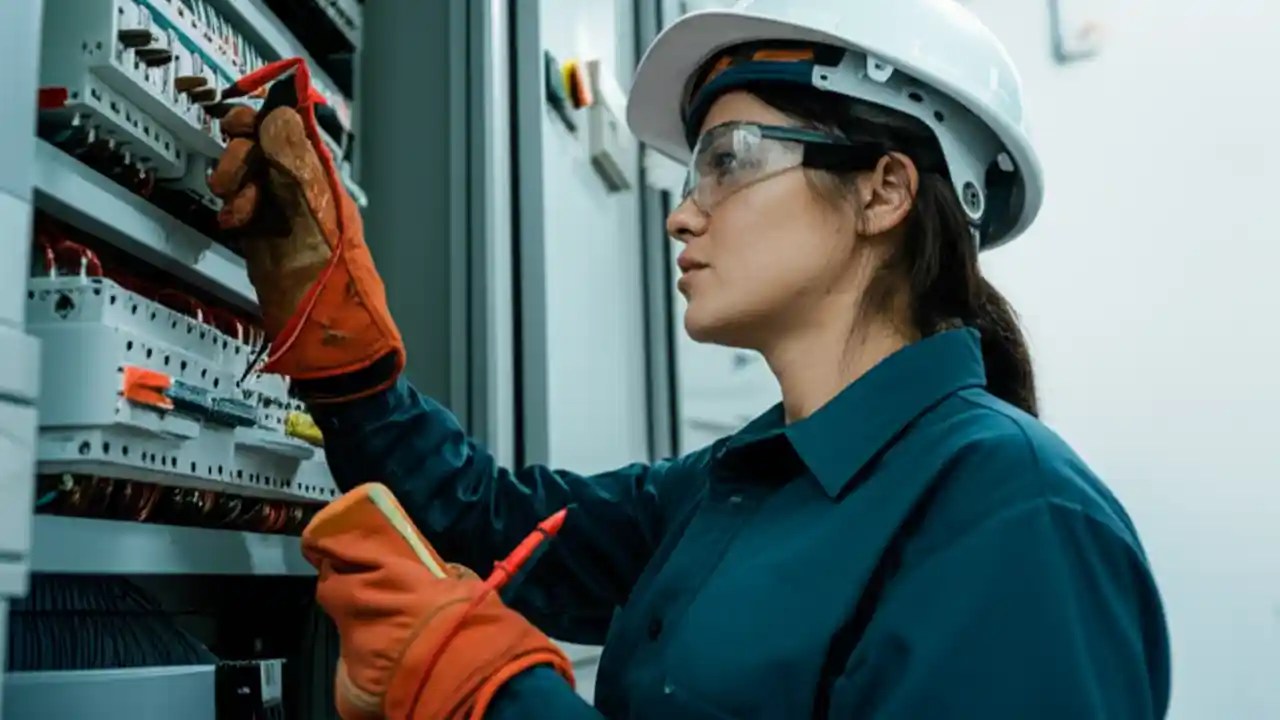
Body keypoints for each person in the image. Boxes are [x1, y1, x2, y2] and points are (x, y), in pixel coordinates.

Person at [209, 0, 1172, 717]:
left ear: (884, 192)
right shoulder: (728, 488)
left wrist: (498, 699)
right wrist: (339, 345)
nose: (682, 212)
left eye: (731, 159)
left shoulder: (1017, 517)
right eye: (689, 170)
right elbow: (486, 520)